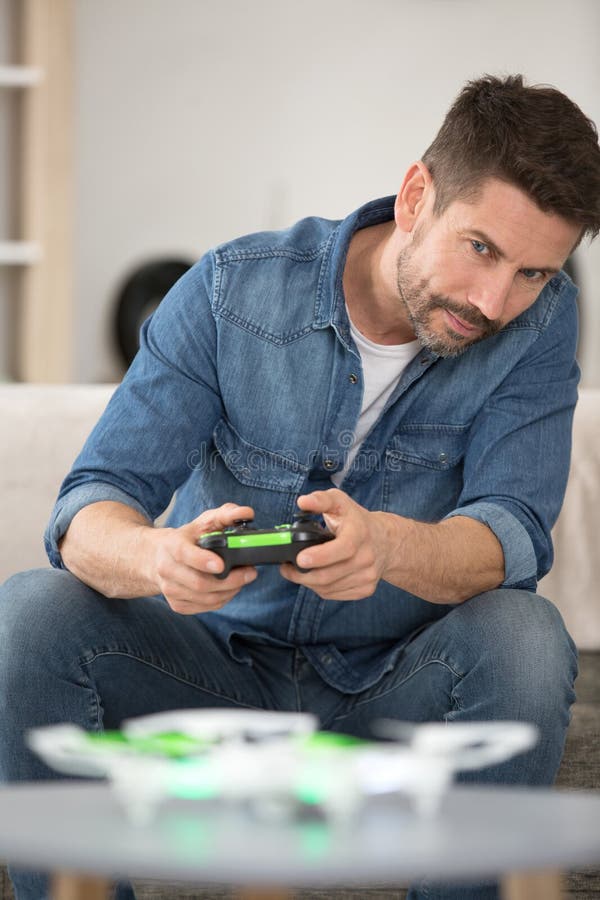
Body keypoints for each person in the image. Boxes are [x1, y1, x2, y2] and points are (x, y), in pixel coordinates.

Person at [2, 73, 600, 900]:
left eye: (533, 272)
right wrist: (156, 557)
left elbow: (511, 533)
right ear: (417, 194)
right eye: (483, 250)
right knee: (29, 611)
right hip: (213, 680)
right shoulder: (231, 290)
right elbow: (89, 507)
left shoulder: (539, 325)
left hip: (391, 690)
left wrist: (388, 546)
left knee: (527, 634)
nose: (495, 301)